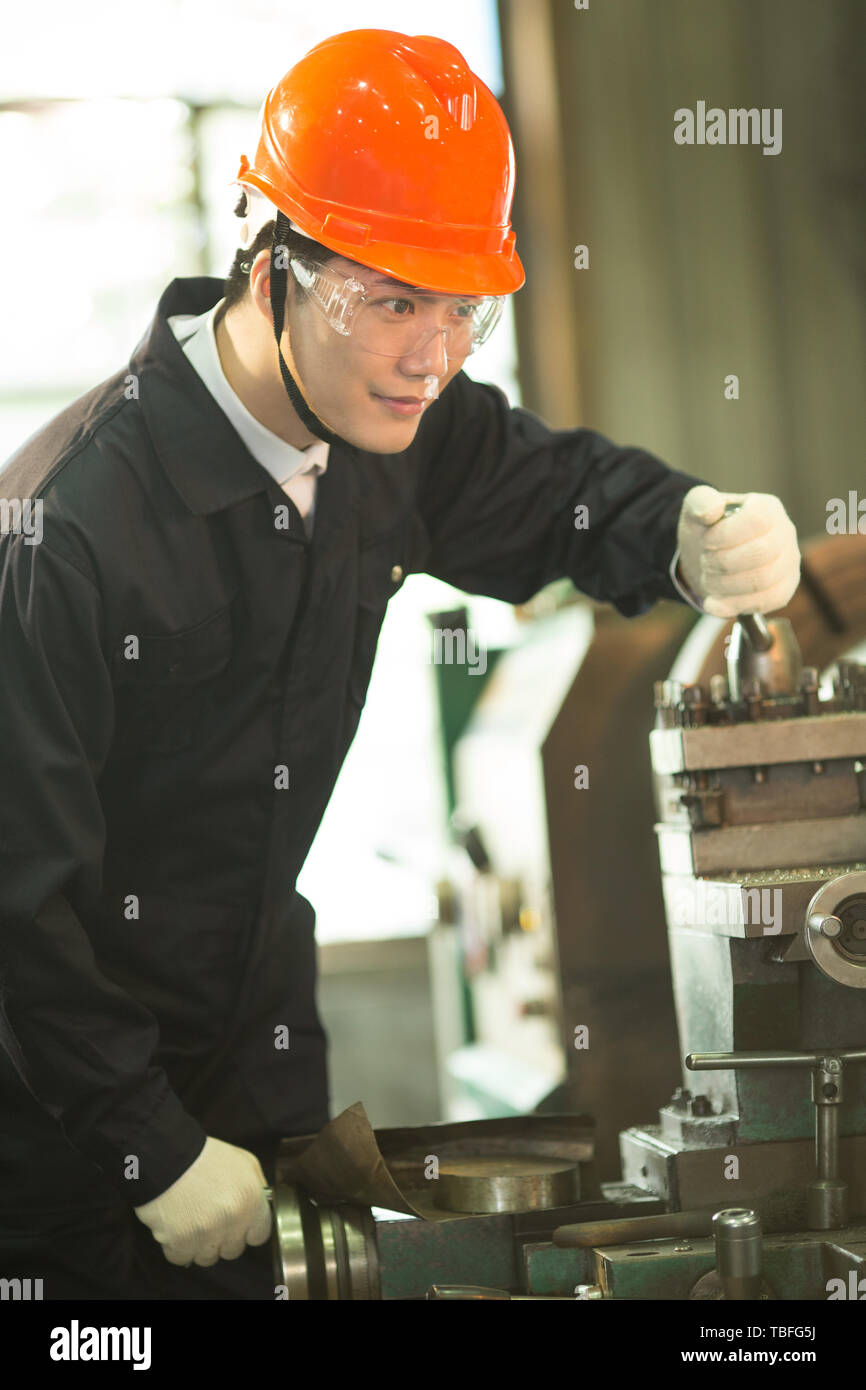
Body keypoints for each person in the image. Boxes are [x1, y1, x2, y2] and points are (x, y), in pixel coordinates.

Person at [0, 28, 800, 1301]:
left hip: (262, 1059)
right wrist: (142, 1144)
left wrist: (690, 529)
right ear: (267, 266)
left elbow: (559, 495)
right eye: (389, 300)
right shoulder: (73, 524)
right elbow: (14, 885)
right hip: (54, 1121)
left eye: (463, 308)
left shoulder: (394, 432)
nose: (435, 354)